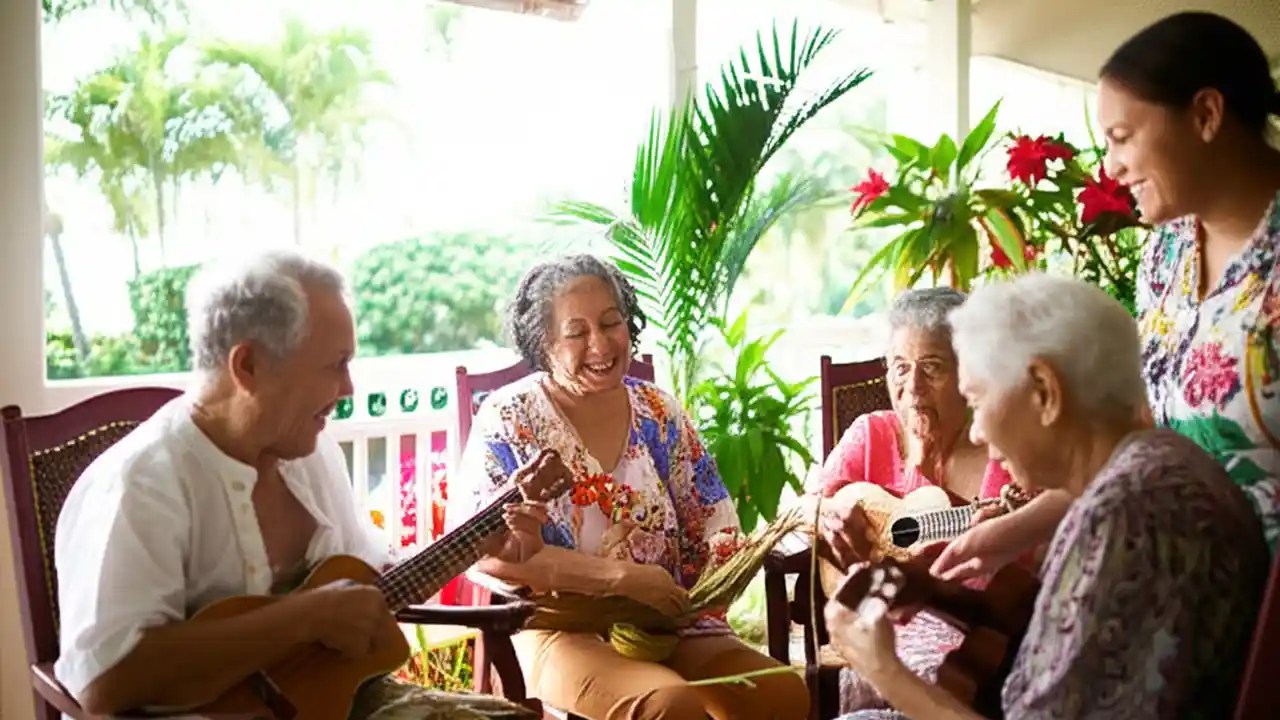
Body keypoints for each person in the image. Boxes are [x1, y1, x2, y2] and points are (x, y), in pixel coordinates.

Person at [54, 250, 553, 720]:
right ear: (247, 366)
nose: (348, 389)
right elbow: (105, 681)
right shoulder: (141, 485)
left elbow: (371, 582)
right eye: (335, 364)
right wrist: (304, 617)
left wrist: (479, 539)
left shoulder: (311, 454)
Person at [932, 9, 1280, 583]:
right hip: (1176, 585)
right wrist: (1018, 527)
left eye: (1122, 138)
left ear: (1206, 115)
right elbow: (1142, 439)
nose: (1111, 166)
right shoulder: (1167, 254)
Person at [827, 273, 1269, 720]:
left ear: (1044, 391)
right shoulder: (1159, 462)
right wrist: (939, 595)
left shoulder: (1124, 517)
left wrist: (884, 669)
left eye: (977, 402)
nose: (977, 431)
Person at [450, 254, 810, 720]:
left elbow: (714, 525)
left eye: (611, 323)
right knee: (668, 706)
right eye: (577, 333)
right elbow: (482, 550)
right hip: (558, 631)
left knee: (779, 692)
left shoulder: (659, 412)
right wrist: (621, 578)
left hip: (665, 626)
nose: (600, 344)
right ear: (545, 344)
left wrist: (725, 566)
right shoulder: (511, 418)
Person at [797, 288, 1022, 713]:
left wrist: (1000, 531)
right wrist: (828, 514)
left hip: (965, 625)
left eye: (932, 368)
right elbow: (800, 509)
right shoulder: (872, 434)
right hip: (875, 610)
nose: (912, 386)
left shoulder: (1002, 453)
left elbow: (1018, 582)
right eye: (900, 368)